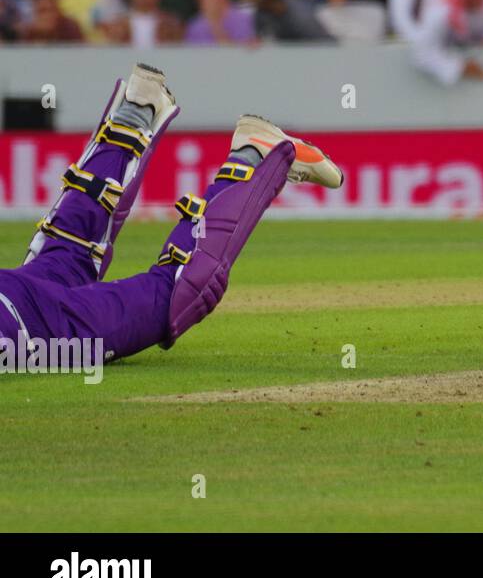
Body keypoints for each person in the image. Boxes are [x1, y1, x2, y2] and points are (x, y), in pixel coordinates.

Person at [0, 64, 342, 366]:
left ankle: (254, 157)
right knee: (61, 262)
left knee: (178, 290)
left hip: (19, 324)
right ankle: (135, 110)